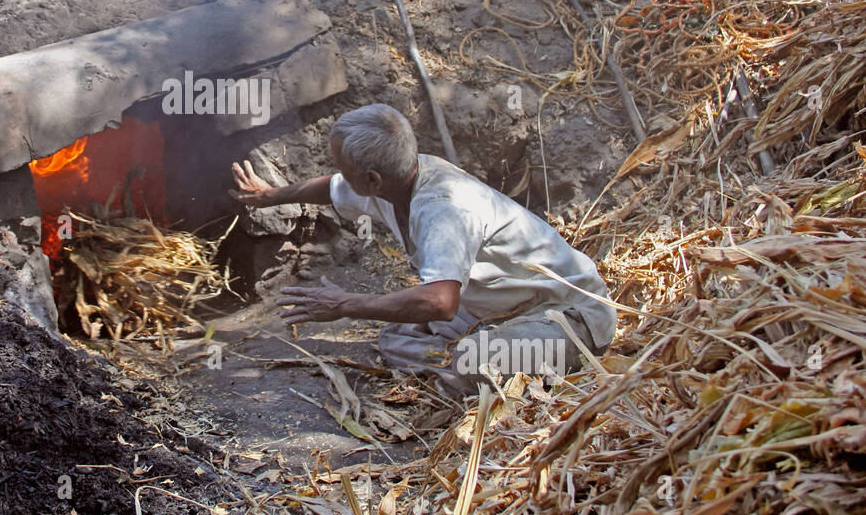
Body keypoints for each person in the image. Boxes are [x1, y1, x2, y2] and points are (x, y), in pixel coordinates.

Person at [228, 103, 616, 398]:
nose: (340, 175)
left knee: (472, 359)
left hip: (569, 319)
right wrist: (269, 196)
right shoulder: (397, 178)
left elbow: (443, 302)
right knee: (397, 334)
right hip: (501, 308)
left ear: (372, 179)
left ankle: (473, 374)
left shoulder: (443, 209)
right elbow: (331, 187)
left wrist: (344, 304)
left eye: (345, 168)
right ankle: (464, 362)